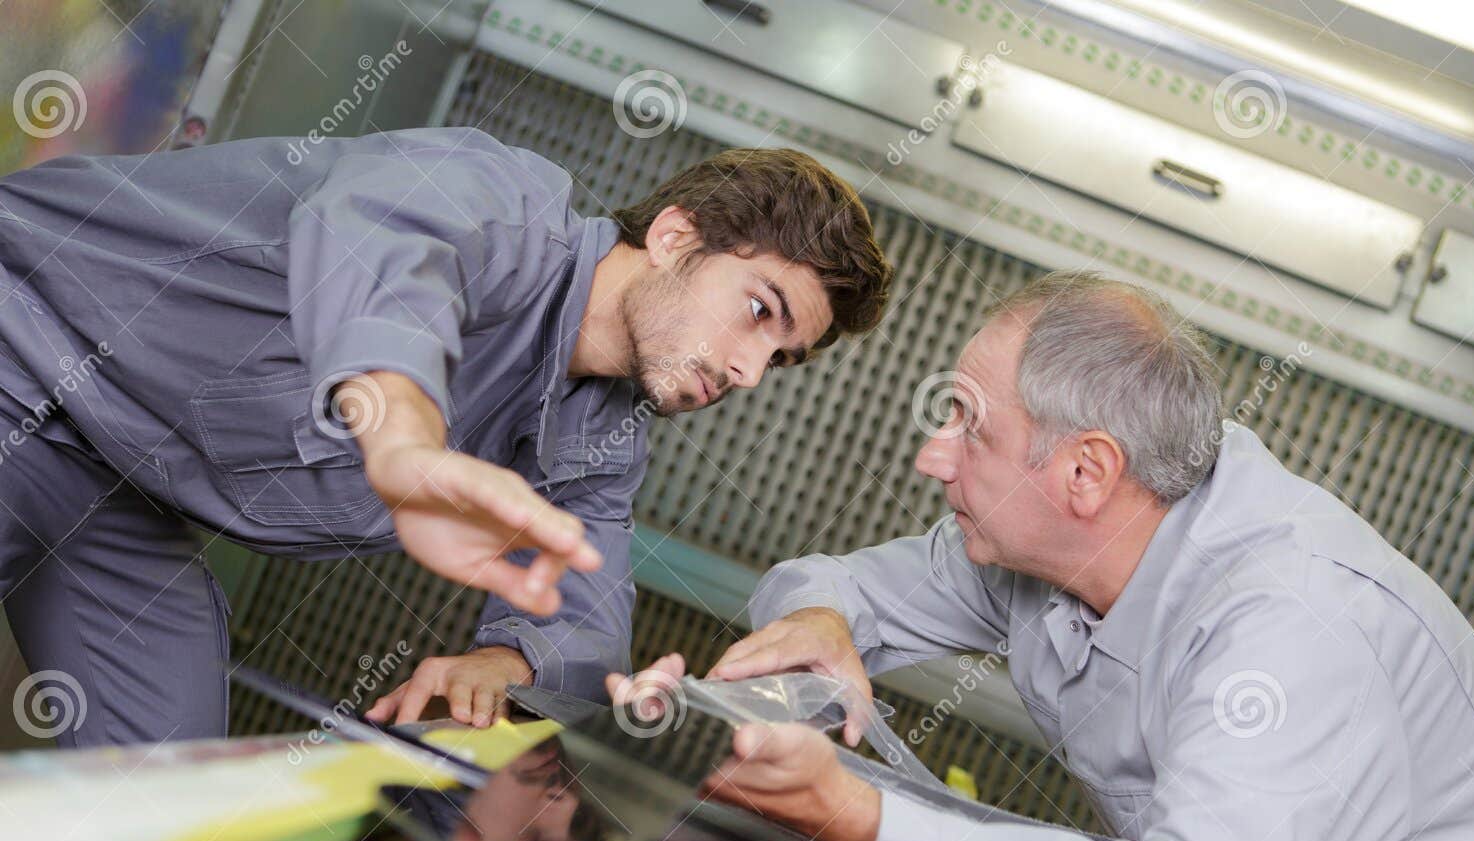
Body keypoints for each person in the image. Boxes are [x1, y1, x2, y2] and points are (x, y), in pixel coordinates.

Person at [618, 271, 1474, 841]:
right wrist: (821, 621)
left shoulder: (1295, 627)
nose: (931, 455)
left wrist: (864, 821)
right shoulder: (1040, 546)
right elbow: (832, 591)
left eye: (968, 423)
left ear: (1086, 471)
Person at [0, 129, 889, 745]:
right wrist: (406, 442)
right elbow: (386, 251)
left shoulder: (600, 434)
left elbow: (586, 599)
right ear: (674, 236)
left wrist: (505, 660)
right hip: (23, 351)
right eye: (758, 312)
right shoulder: (500, 204)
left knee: (165, 794)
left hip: (115, 497)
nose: (746, 371)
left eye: (780, 358)